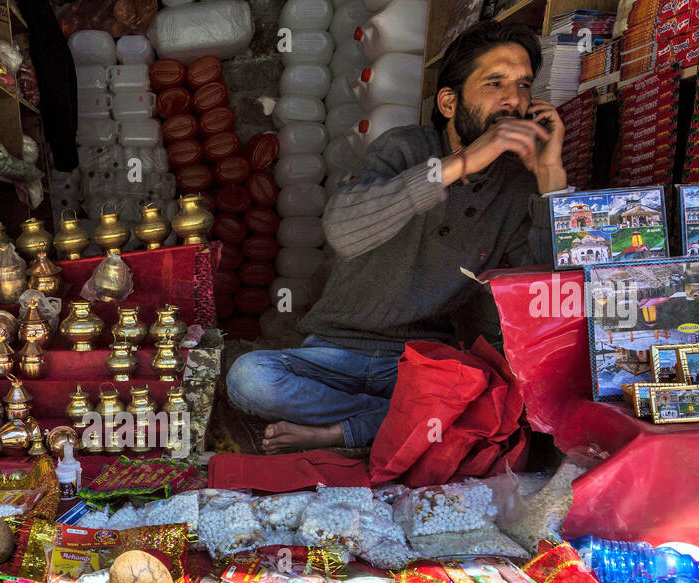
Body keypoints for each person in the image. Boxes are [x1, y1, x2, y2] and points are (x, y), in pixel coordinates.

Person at [227, 20, 567, 453]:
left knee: (491, 397)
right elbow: (345, 230)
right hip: (335, 351)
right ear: (448, 102)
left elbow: (544, 291)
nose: (513, 100)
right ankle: (387, 426)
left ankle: (344, 430)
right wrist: (462, 162)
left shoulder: (517, 186)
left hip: (420, 364)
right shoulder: (404, 148)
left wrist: (550, 176)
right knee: (249, 378)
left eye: (523, 85)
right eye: (495, 83)